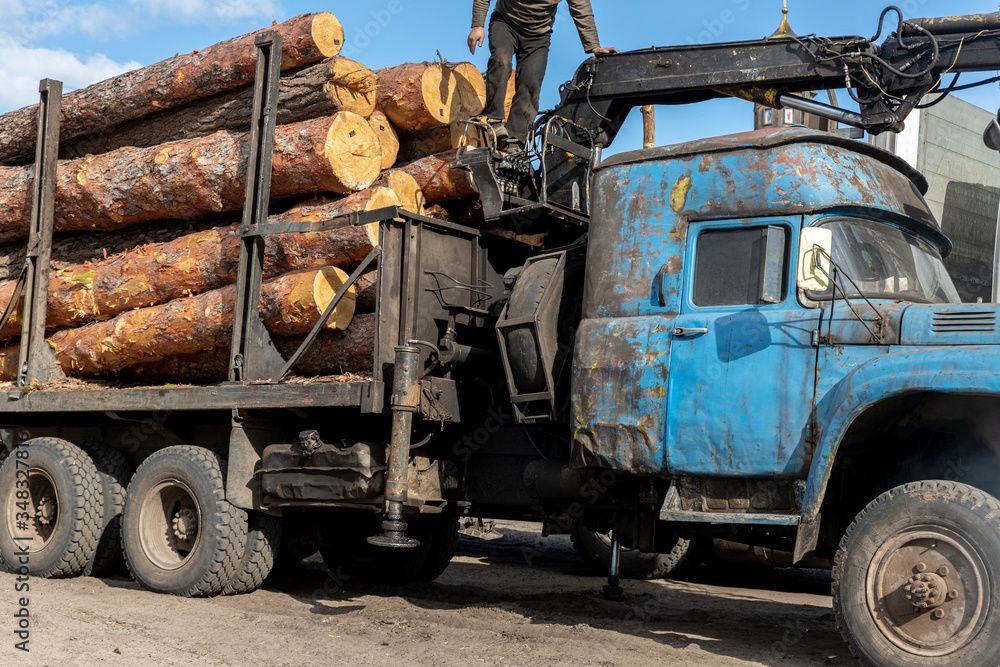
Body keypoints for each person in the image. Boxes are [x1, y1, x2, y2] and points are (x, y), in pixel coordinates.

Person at [468, 0, 618, 151]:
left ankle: (514, 141)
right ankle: (495, 121)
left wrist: (594, 46)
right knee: (501, 60)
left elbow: (581, 7)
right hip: (505, 22)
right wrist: (477, 26)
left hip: (538, 36)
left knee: (531, 83)